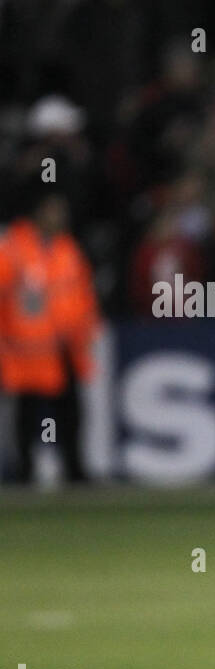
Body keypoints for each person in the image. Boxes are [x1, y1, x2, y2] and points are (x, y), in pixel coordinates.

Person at [0, 191, 100, 484]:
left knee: (71, 413)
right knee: (28, 416)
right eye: (54, 211)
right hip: (28, 350)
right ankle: (26, 471)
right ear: (39, 213)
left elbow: (82, 294)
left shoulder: (67, 248)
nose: (61, 218)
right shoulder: (15, 248)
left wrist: (86, 330)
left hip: (65, 348)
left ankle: (75, 469)